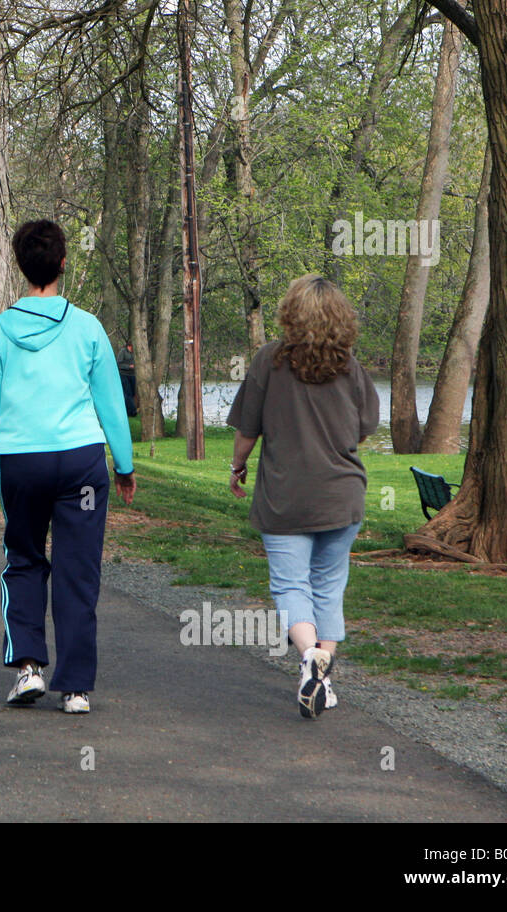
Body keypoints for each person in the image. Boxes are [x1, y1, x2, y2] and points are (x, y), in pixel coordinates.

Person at [0, 219, 136, 715]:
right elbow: (110, 405)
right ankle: (77, 688)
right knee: (77, 571)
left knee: (23, 560)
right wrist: (123, 466)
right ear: (63, 263)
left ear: (22, 267)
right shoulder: (87, 328)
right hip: (80, 462)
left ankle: (28, 668)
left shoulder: (0, 331)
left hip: (22, 463)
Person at [226, 274, 379, 719]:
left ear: (290, 314)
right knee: (329, 589)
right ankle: (321, 678)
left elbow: (247, 430)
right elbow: (364, 429)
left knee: (292, 584)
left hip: (285, 496)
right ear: (341, 319)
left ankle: (310, 659)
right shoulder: (351, 367)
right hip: (341, 495)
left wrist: (237, 468)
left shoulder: (268, 362)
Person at [117, 342, 138, 417]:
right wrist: (129, 366)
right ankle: (133, 411)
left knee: (132, 393)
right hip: (124, 374)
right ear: (129, 346)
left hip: (132, 375)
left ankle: (129, 411)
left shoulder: (134, 353)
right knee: (127, 393)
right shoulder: (122, 352)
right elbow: (119, 364)